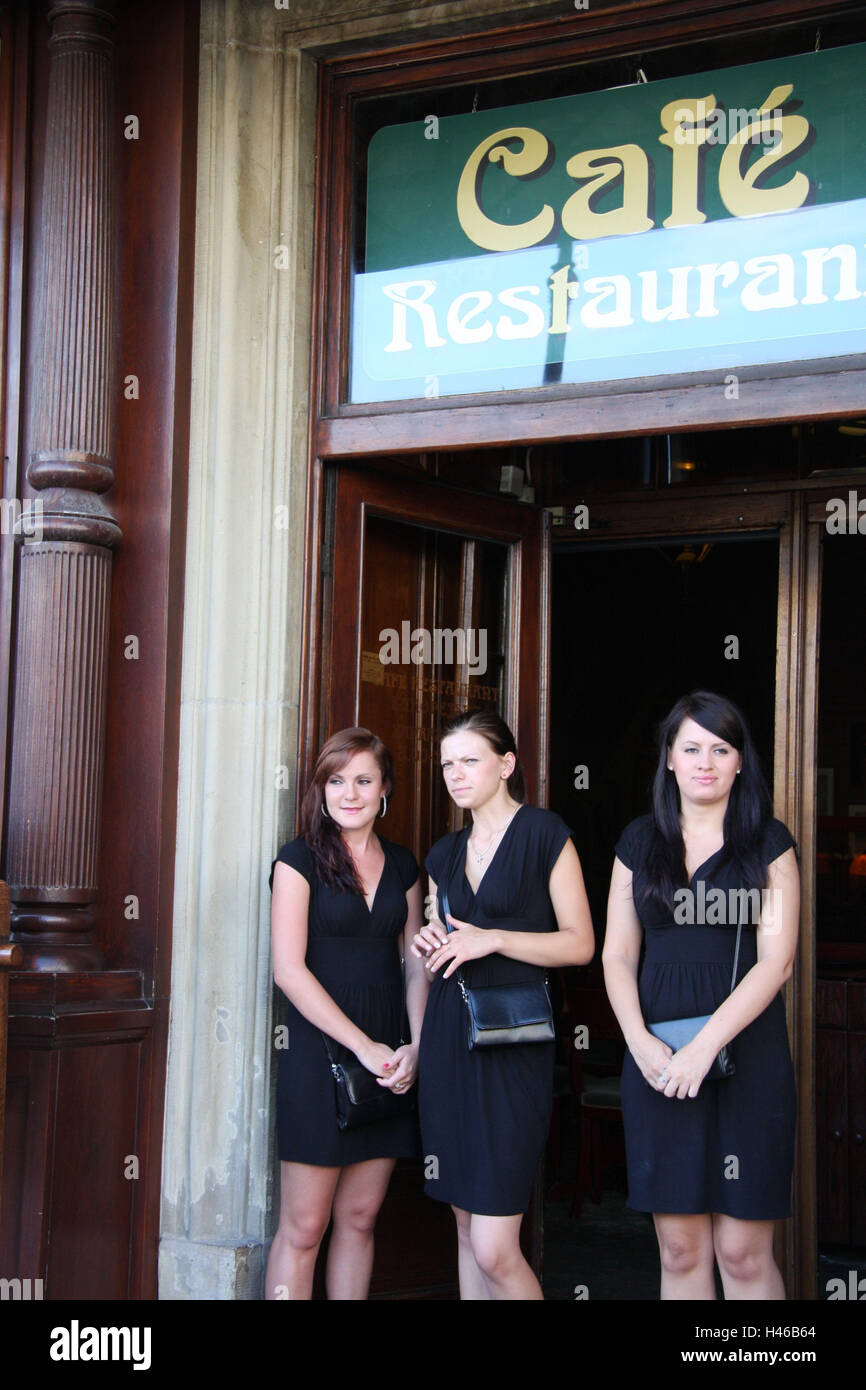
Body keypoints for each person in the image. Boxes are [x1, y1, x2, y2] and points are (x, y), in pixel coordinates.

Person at [602, 690, 799, 1300]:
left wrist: (705, 1046)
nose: (705, 762)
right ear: (669, 758)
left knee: (742, 1253)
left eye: (721, 748)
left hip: (746, 1055)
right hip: (658, 1060)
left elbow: (779, 961)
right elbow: (616, 954)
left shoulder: (769, 842)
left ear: (741, 762)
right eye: (691, 748)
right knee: (680, 1247)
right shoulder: (638, 842)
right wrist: (640, 1045)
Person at [411, 710, 594, 1300]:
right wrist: (430, 941)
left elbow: (581, 943)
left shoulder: (545, 833)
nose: (456, 774)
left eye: (470, 760)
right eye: (447, 764)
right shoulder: (443, 852)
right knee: (465, 1229)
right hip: (449, 1037)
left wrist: (493, 938)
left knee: (494, 1245)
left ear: (506, 764)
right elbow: (442, 931)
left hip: (514, 1043)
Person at [265, 727, 427, 1300]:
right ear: (321, 790)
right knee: (305, 1227)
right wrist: (364, 1047)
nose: (349, 793)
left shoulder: (405, 865)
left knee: (360, 1220)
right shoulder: (297, 861)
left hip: (390, 1056)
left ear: (384, 789)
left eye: (363, 780)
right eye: (336, 781)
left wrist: (417, 1045)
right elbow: (289, 970)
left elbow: (414, 962)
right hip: (321, 1052)